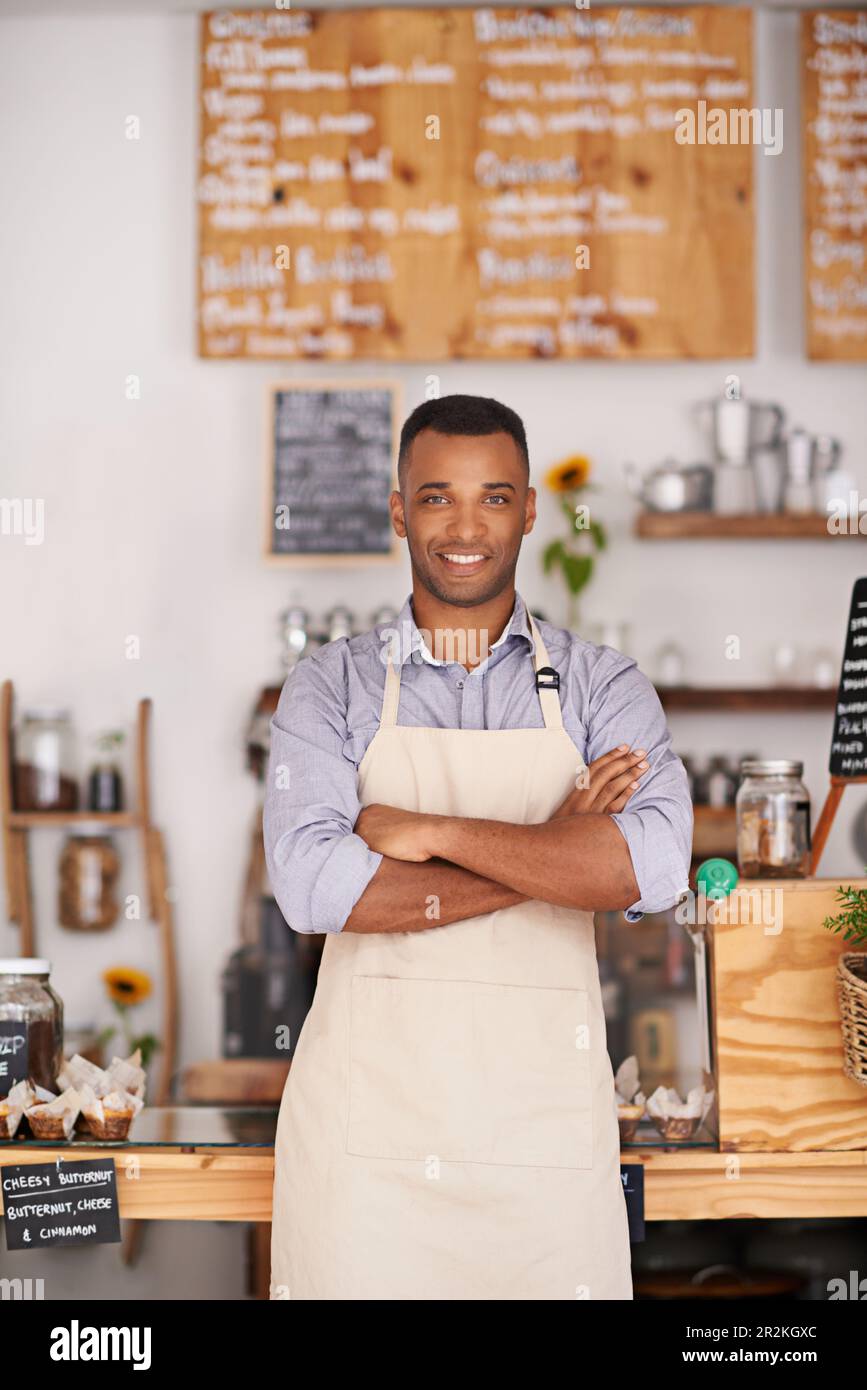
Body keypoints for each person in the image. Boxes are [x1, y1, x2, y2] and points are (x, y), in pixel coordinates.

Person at [264, 393, 692, 1300]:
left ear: (531, 510)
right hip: (364, 1168)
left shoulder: (600, 685)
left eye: (493, 497)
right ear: (397, 509)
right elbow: (314, 889)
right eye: (435, 498)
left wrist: (431, 834)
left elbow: (648, 868)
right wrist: (558, 847)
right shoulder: (327, 688)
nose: (465, 527)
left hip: (543, 1156)